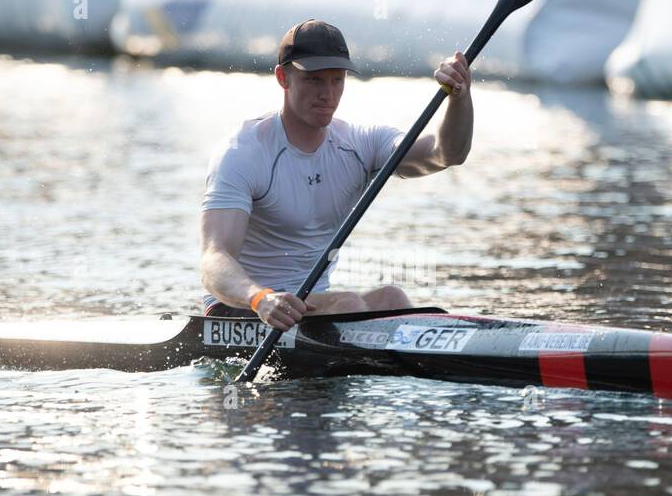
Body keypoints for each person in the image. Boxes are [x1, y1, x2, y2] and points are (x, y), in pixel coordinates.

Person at [200, 19, 474, 329]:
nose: (327, 94)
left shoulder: (358, 144)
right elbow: (214, 259)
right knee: (349, 305)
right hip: (240, 310)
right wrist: (259, 298)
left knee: (392, 298)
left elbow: (445, 153)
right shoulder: (244, 152)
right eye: (314, 80)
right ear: (283, 78)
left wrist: (458, 98)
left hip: (308, 309)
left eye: (337, 80)